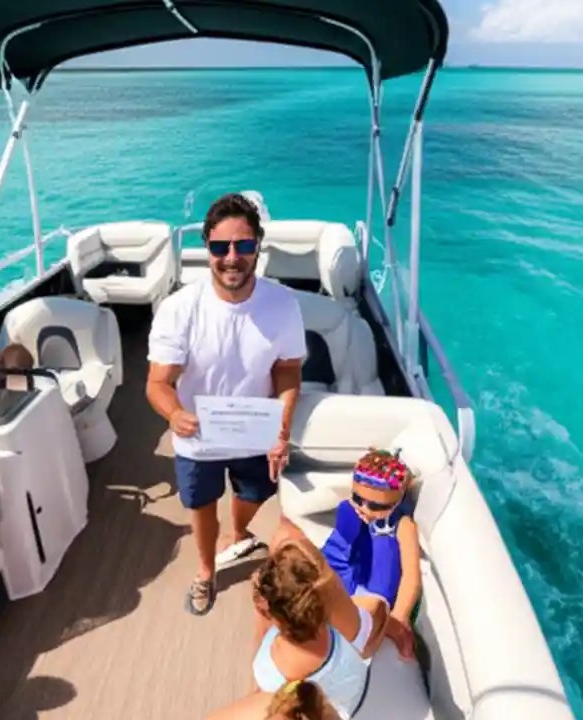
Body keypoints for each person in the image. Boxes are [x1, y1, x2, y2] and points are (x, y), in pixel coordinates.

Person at [147, 192, 307, 616]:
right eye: (220, 247)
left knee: (258, 490)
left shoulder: (283, 304)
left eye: (243, 245)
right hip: (197, 435)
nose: (231, 257)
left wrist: (283, 428)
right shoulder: (179, 309)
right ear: (207, 249)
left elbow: (288, 370)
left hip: (257, 430)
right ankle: (206, 570)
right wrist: (174, 413)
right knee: (200, 506)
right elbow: (158, 383)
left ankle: (236, 531)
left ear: (258, 247)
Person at [206, 521, 389, 720]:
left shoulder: (274, 674)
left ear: (270, 612)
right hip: (351, 699)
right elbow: (292, 537)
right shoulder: (344, 625)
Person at [321, 449, 421, 658]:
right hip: (340, 571)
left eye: (375, 505)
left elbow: (411, 577)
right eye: (358, 498)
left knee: (355, 623)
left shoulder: (402, 525)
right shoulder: (351, 509)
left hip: (370, 589)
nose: (364, 509)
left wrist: (399, 617)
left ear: (396, 502)